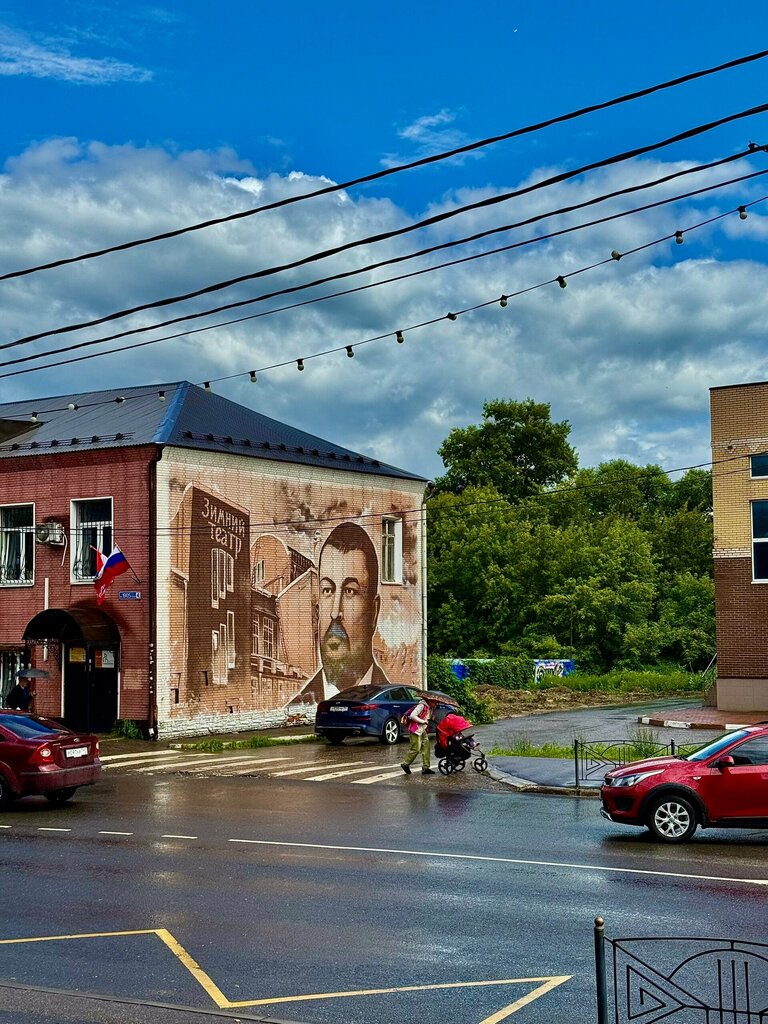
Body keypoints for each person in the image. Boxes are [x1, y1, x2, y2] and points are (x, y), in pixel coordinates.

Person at [290, 523, 390, 705]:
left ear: (373, 612)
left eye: (350, 591)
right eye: (327, 590)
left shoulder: (390, 703)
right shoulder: (298, 706)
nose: (335, 612)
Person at [400, 696, 436, 776]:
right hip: (415, 730)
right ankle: (405, 764)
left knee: (426, 747)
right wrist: (423, 721)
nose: (436, 704)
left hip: (423, 730)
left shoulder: (430, 708)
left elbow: (426, 717)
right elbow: (412, 716)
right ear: (429, 701)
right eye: (435, 702)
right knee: (416, 749)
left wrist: (431, 718)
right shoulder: (421, 706)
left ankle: (426, 768)